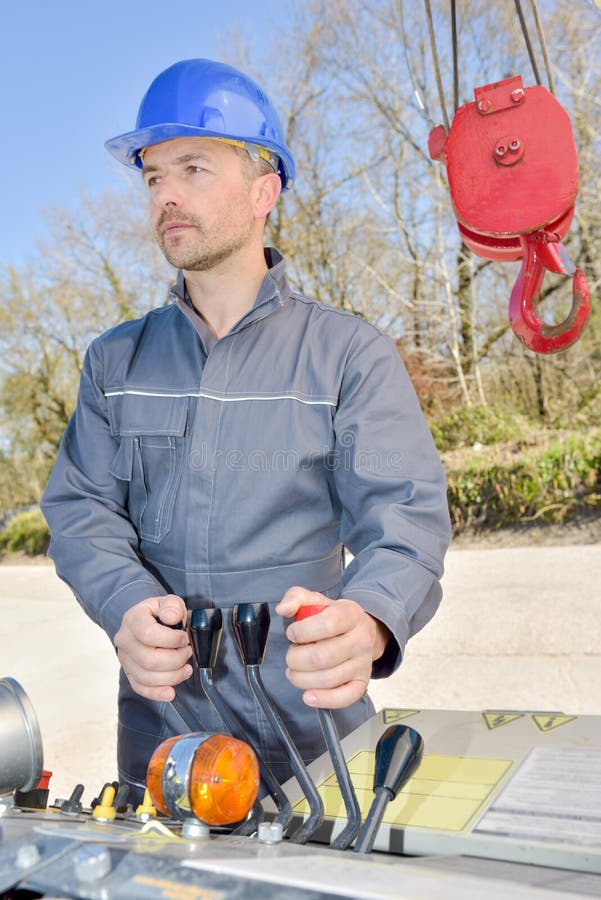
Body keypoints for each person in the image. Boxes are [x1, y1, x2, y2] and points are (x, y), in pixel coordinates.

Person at [41, 58, 451, 801]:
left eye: (192, 167)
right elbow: (80, 510)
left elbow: (407, 516)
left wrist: (369, 619)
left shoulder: (347, 355)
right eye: (153, 175)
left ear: (265, 190)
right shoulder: (115, 360)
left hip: (314, 731)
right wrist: (125, 604)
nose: (165, 192)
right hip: (165, 740)